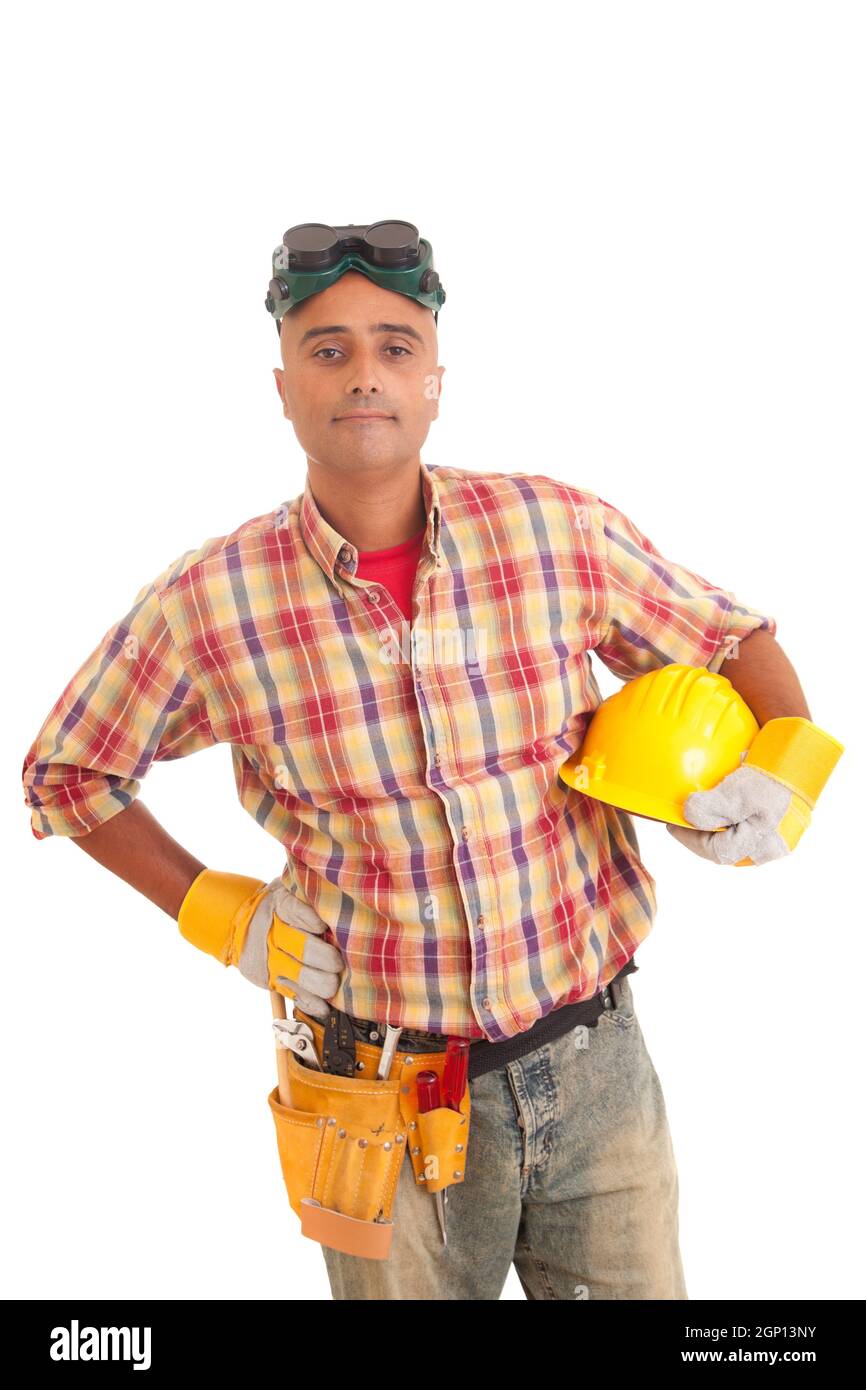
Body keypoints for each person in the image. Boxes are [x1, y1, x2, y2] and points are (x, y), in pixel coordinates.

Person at [21, 221, 813, 1300]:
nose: (363, 376)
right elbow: (68, 772)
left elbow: (728, 635)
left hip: (597, 1072)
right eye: (327, 347)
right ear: (283, 385)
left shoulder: (553, 531)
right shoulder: (210, 602)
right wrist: (224, 915)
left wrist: (786, 767)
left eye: (394, 346)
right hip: (373, 1097)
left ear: (434, 379)